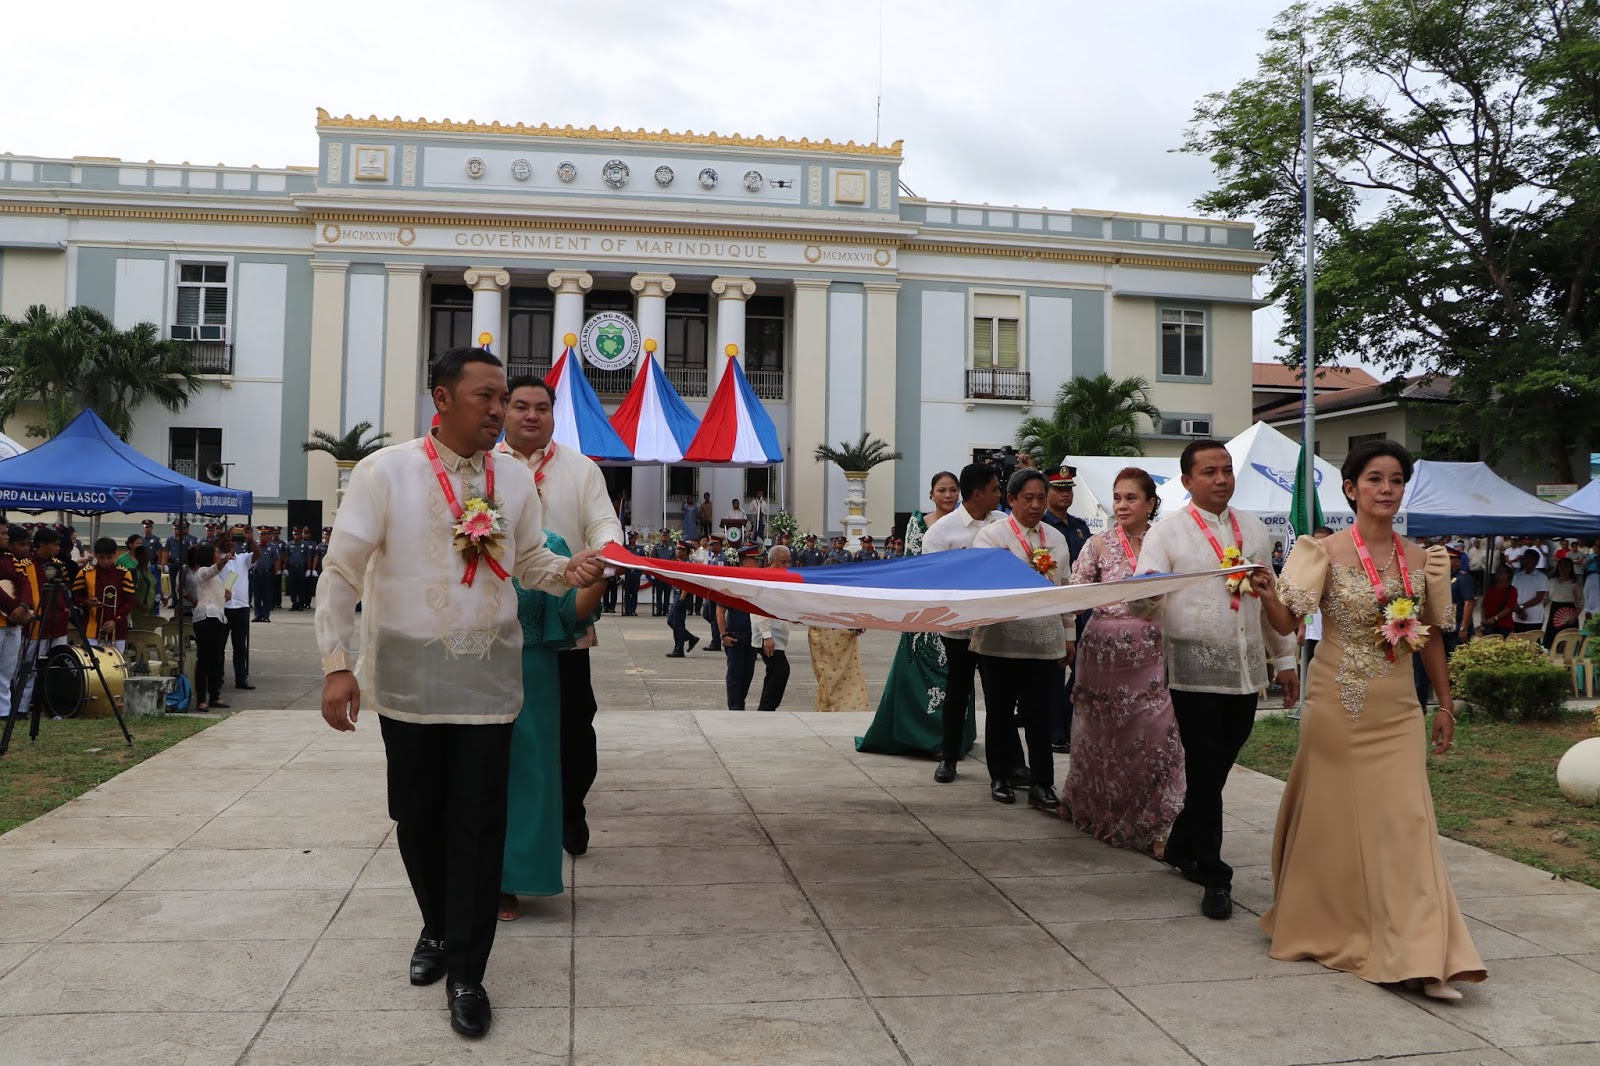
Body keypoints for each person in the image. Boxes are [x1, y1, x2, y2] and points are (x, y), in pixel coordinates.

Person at [316, 346, 605, 1040]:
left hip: (490, 681)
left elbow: (531, 562)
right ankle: (437, 929)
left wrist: (575, 570)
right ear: (441, 399)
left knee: (479, 825)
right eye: (486, 397)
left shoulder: (512, 477)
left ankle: (469, 971)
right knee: (416, 816)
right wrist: (336, 662)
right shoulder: (388, 471)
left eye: (504, 397)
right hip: (409, 679)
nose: (500, 411)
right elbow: (343, 569)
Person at [1256, 438, 1485, 1001]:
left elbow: (1430, 636)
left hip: (1399, 710)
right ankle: (1332, 924)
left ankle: (1423, 954)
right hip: (1337, 706)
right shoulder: (1321, 551)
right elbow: (1288, 623)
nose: (1387, 489)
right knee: (1335, 824)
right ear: (1351, 488)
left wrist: (1445, 703)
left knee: (1406, 826)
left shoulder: (1424, 558)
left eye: (1396, 480)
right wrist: (1266, 592)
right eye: (1376, 479)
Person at [1133, 439, 1299, 921]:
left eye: (1226, 470)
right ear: (1187, 481)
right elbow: (1143, 599)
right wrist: (1143, 594)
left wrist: (1284, 660)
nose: (1222, 478)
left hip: (1247, 670)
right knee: (1206, 770)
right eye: (1210, 472)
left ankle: (1181, 844)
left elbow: (1269, 596)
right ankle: (1214, 873)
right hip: (1193, 670)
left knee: (1216, 769)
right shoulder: (1167, 534)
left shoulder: (1252, 528)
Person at [500, 376, 624, 859]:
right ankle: (511, 824)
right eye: (521, 406)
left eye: (542, 408)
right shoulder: (485, 467)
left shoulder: (581, 469)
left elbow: (602, 521)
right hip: (496, 620)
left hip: (566, 612)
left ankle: (571, 808)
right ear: (505, 412)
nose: (532, 415)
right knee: (505, 727)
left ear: (554, 414)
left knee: (575, 722)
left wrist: (608, 552)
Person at [1060, 468, 1184, 854]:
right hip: (1102, 652)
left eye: (1131, 498)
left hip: (1152, 650)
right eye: (1117, 498)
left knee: (1157, 734)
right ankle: (1101, 809)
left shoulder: (1166, 542)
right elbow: (1076, 592)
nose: (1122, 505)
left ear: (1151, 503)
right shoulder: (1097, 544)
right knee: (1103, 736)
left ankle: (1156, 817)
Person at [498, 532, 605, 923]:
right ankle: (471, 871)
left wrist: (601, 575)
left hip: (533, 669)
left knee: (531, 774)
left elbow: (571, 609)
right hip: (470, 663)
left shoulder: (551, 545)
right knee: (475, 771)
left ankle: (510, 878)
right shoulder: (458, 531)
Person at [972, 468, 1075, 809]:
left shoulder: (1056, 539)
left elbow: (1065, 590)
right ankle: (1000, 776)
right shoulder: (992, 537)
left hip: (1045, 642)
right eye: (1027, 498)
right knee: (1000, 712)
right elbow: (983, 586)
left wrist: (1068, 634)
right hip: (1000, 642)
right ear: (1011, 499)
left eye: (1041, 498)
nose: (1035, 505)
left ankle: (1042, 784)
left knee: (1039, 716)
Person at [857, 470, 974, 758]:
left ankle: (952, 738)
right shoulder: (918, 524)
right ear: (931, 495)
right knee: (921, 674)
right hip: (925, 612)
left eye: (953, 490)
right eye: (942, 490)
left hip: (959, 612)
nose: (948, 496)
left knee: (956, 675)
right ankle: (919, 737)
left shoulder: (969, 523)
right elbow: (913, 566)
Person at [921, 463, 1004, 783]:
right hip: (960, 628)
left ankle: (1007, 764)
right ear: (978, 494)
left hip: (998, 625)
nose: (1000, 494)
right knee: (957, 693)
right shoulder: (942, 532)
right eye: (996, 489)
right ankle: (949, 758)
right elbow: (933, 578)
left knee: (999, 697)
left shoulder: (1003, 523)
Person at [1040, 464, 1092, 755]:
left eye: (1069, 489)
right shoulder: (1044, 528)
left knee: (1081, 672)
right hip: (1055, 608)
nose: (1065, 494)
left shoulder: (1080, 526)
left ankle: (1070, 726)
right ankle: (1055, 732)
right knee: (1054, 672)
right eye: (1059, 489)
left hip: (1082, 609)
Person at [183, 540, 233, 712]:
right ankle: (202, 699)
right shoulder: (201, 572)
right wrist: (224, 561)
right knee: (204, 659)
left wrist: (226, 595)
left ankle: (215, 695)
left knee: (217, 658)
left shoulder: (216, 578)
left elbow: (216, 595)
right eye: (217, 552)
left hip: (218, 618)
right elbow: (212, 570)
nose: (219, 554)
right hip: (206, 618)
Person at [717, 546, 767, 709]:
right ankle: (735, 709)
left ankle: (740, 705)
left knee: (747, 676)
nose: (760, 564)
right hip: (736, 637)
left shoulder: (757, 584)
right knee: (735, 677)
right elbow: (720, 611)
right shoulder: (732, 583)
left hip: (752, 636)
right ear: (745, 562)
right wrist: (723, 635)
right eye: (756, 561)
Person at [71, 537, 136, 653]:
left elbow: (129, 601)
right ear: (95, 555)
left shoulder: (124, 573)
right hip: (91, 629)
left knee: (116, 666)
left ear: (115, 555)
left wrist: (115, 620)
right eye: (102, 557)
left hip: (118, 630)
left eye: (109, 557)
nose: (106, 561)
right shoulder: (85, 573)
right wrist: (86, 602)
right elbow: (75, 598)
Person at [0, 525, 34, 720]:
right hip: (6, 617)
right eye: (3, 533)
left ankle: (4, 711)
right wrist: (15, 608)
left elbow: (24, 583)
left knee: (8, 668)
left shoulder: (10, 559)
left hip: (13, 622)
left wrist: (23, 606)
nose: (7, 537)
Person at [753, 545, 793, 712]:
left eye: (789, 562)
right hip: (767, 633)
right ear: (771, 561)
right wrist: (767, 636)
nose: (787, 566)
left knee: (773, 672)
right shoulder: (765, 579)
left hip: (778, 632)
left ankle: (766, 707)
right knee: (781, 670)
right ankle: (767, 708)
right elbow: (760, 609)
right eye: (783, 562)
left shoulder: (782, 578)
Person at [222, 526, 255, 690]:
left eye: (234, 542)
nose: (232, 545)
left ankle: (240, 678)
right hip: (224, 607)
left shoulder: (243, 558)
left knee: (240, 646)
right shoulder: (219, 558)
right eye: (229, 541)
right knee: (220, 645)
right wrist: (224, 536)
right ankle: (218, 678)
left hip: (241, 607)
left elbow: (258, 555)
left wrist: (250, 539)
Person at [807, 624, 868, 711]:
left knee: (843, 674)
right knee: (831, 677)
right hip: (829, 628)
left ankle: (841, 708)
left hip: (835, 628)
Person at [663, 542, 700, 657]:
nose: (677, 551)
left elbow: (686, 584)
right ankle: (690, 638)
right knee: (671, 621)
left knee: (677, 623)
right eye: (677, 548)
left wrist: (682, 599)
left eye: (680, 549)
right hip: (677, 594)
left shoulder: (687, 564)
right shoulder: (680, 562)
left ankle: (679, 649)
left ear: (685, 551)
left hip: (682, 595)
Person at [1509, 549, 1549, 634]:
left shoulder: (1542, 577)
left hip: (1534, 617)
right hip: (1517, 617)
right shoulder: (1517, 576)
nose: (1527, 561)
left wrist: (1521, 607)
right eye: (1525, 558)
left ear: (1536, 561)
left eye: (1530, 559)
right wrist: (1518, 610)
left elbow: (1539, 598)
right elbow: (1512, 594)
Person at [1544, 555, 1580, 647]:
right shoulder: (1551, 581)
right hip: (1554, 610)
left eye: (1566, 566)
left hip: (1569, 611)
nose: (1563, 568)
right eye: (1561, 566)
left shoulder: (1574, 584)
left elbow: (1580, 603)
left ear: (1570, 568)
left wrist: (1574, 616)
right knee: (1552, 639)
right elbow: (1546, 598)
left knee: (1567, 640)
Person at [1480, 565, 1519, 637]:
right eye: (1498, 572)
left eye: (1502, 572)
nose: (1499, 574)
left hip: (1504, 625)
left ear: (1508, 575)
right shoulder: (1491, 589)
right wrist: (1483, 618)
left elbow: (1509, 608)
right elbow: (1483, 605)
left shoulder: (1512, 590)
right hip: (1488, 624)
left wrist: (1495, 618)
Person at [250, 526, 278, 623]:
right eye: (260, 534)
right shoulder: (255, 546)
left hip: (267, 574)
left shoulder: (272, 547)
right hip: (256, 573)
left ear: (269, 535)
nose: (262, 536)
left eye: (264, 534)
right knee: (257, 595)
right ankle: (258, 614)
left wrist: (277, 572)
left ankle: (266, 615)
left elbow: (276, 560)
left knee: (266, 595)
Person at [621, 531, 645, 616]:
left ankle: (633, 610)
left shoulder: (640, 549)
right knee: (627, 593)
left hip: (636, 573)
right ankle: (627, 610)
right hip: (627, 573)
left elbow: (643, 561)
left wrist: (640, 572)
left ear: (636, 538)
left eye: (633, 538)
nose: (632, 539)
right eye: (630, 538)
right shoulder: (625, 548)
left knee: (634, 593)